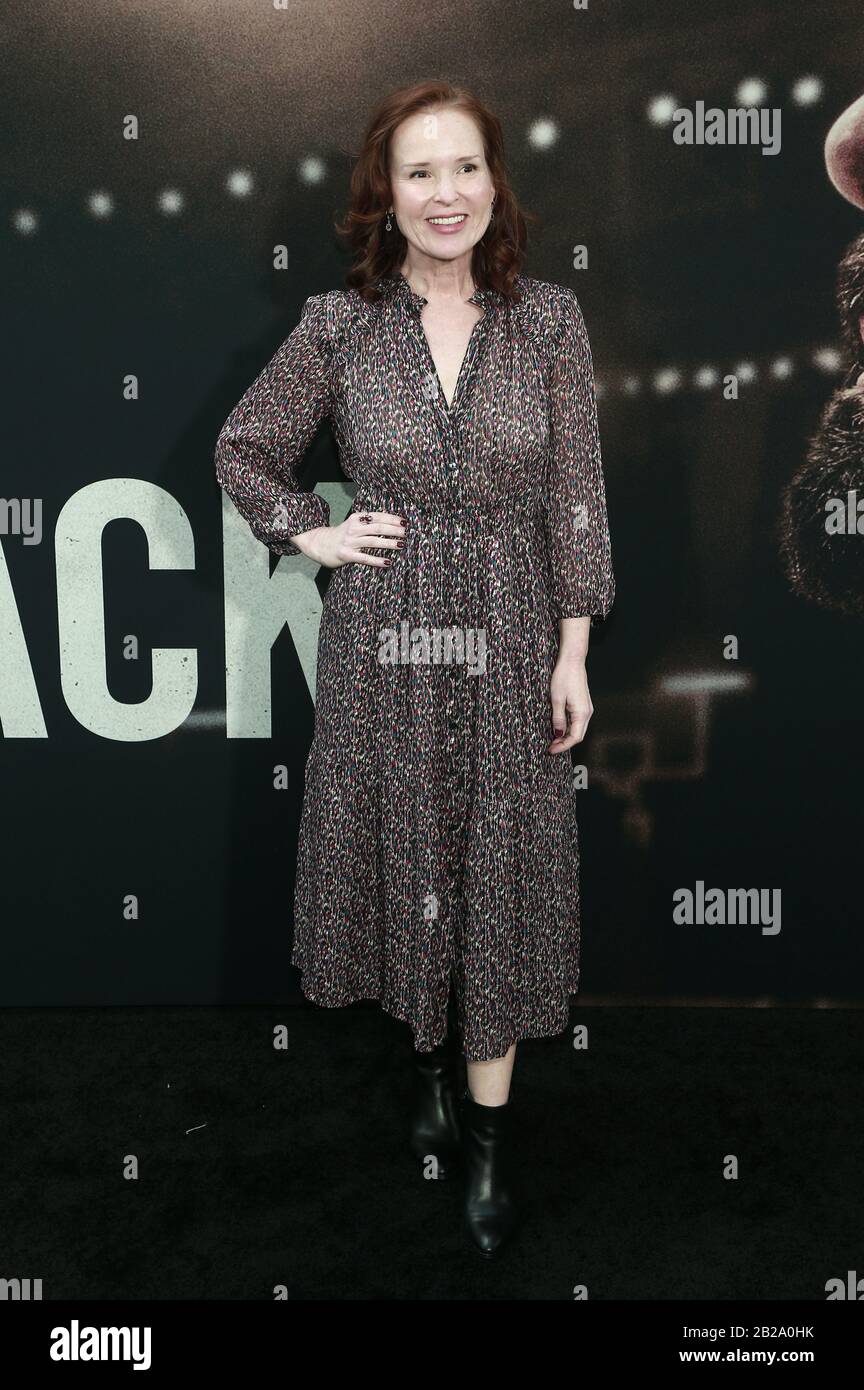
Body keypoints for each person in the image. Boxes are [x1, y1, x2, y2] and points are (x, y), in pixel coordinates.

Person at [214, 79, 615, 1259]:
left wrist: (577, 647)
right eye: (419, 173)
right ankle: (428, 1061)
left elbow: (576, 496)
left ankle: (485, 1143)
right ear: (384, 195)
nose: (447, 195)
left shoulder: (550, 321)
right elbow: (246, 447)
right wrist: (311, 531)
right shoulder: (340, 326)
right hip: (385, 637)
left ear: (498, 182)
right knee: (408, 852)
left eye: (466, 169)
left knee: (495, 864)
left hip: (513, 634)